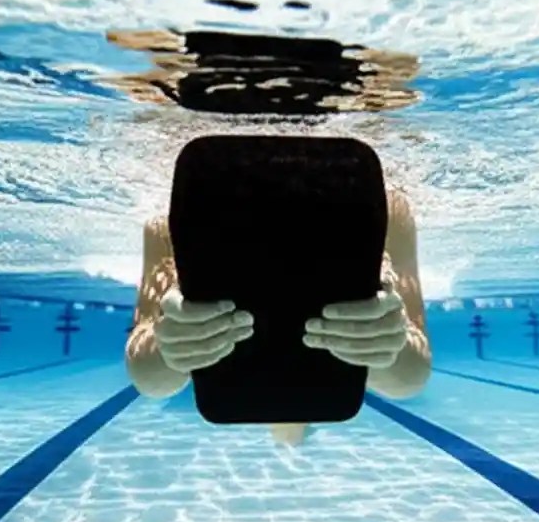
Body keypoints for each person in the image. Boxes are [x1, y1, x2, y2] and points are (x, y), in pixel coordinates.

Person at [125, 186, 432, 444]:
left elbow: (148, 374)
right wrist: (388, 347)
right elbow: (411, 373)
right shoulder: (384, 204)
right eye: (301, 397)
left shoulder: (177, 208)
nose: (281, 393)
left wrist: (170, 349)